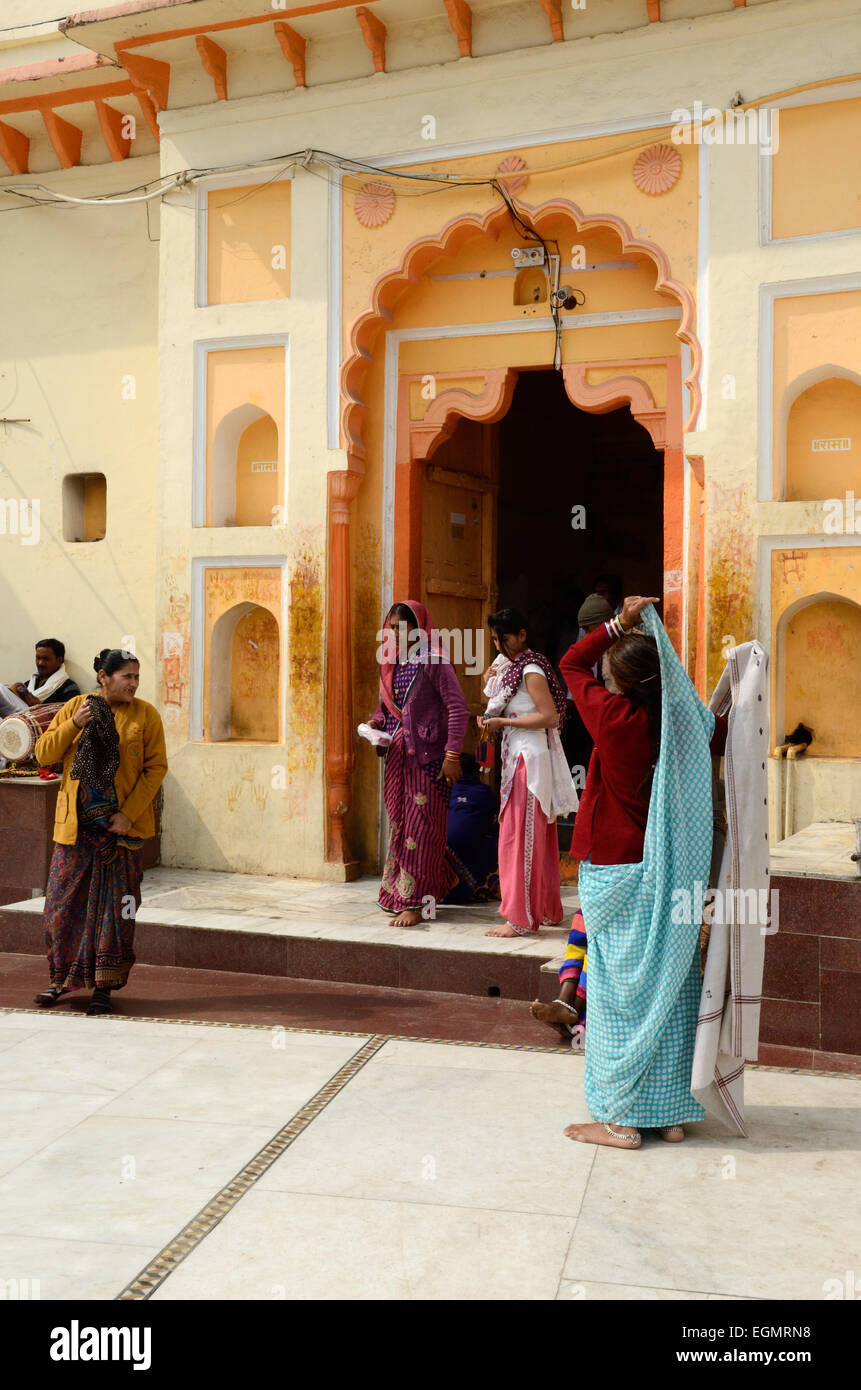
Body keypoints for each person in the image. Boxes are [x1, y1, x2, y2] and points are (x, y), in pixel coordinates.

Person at [532, 596, 728, 1149]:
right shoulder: (685, 725)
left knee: (618, 993)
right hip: (671, 872)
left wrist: (620, 621)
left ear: (621, 682)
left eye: (610, 673)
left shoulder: (616, 720)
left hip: (617, 868)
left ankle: (619, 1120)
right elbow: (721, 727)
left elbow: (569, 662)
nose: (602, 679)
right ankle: (668, 1114)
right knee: (670, 988)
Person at [32, 649, 167, 1015]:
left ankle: (104, 987)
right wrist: (73, 724)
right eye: (127, 676)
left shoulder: (146, 715)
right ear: (103, 677)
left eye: (137, 677)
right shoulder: (75, 707)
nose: (134, 684)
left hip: (119, 832)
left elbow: (156, 768)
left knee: (116, 912)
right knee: (60, 908)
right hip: (75, 831)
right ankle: (60, 979)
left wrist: (128, 814)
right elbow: (43, 754)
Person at [367, 601, 469, 928]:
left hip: (430, 761)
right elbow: (387, 709)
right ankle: (412, 891)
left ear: (419, 628)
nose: (396, 633)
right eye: (392, 627)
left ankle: (417, 904)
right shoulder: (393, 663)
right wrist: (374, 725)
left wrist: (452, 756)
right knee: (402, 826)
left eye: (402, 627)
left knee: (422, 830)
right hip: (399, 760)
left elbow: (458, 708)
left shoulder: (434, 661)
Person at [478, 607, 579, 938]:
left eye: (504, 638)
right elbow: (494, 699)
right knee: (529, 836)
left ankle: (520, 918)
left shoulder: (530, 669)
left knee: (519, 838)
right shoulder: (509, 668)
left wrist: (503, 721)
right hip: (518, 757)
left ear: (522, 635)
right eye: (495, 640)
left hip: (528, 760)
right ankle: (544, 908)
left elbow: (549, 717)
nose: (500, 646)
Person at [442, 753, 500, 905]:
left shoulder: (443, 791)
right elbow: (492, 821)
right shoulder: (484, 791)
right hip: (475, 849)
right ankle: (482, 889)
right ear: (475, 772)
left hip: (445, 850)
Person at [0, 638, 80, 716]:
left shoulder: (68, 687)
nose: (40, 663)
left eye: (46, 659)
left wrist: (40, 708)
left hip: (39, 723)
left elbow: (71, 716)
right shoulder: (28, 684)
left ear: (59, 660)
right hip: (14, 720)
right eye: (38, 658)